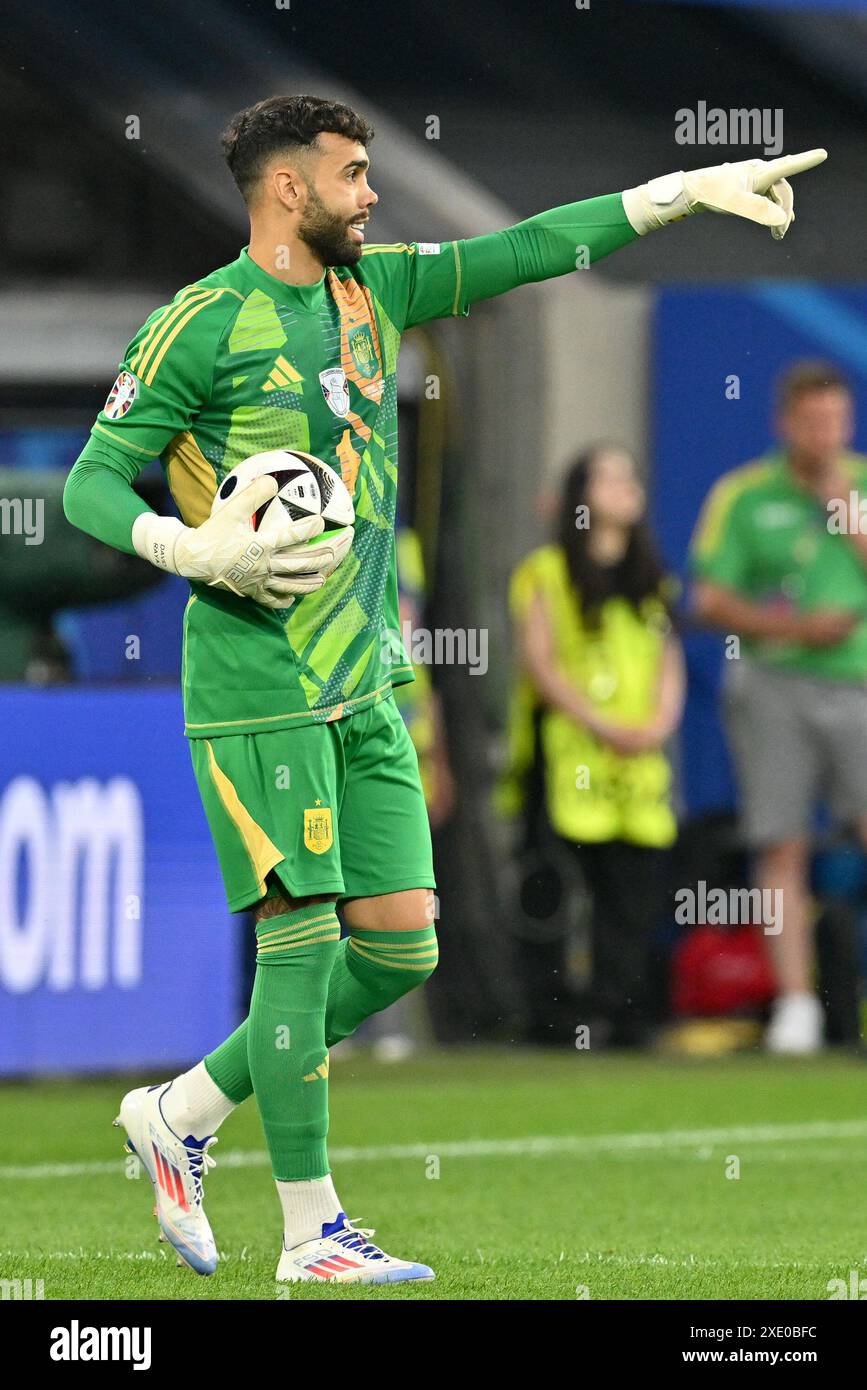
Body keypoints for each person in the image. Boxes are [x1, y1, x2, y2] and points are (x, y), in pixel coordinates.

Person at [61, 93, 825, 1285]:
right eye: (354, 174)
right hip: (260, 682)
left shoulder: (379, 294)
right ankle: (313, 1233)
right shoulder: (200, 324)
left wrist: (670, 197)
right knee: (301, 943)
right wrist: (190, 546)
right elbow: (93, 484)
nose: (373, 194)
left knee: (402, 949)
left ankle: (184, 1113)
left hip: (366, 676)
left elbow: (522, 252)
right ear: (286, 190)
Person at [691, 360, 867, 1054]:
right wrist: (793, 629)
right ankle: (795, 1003)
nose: (823, 434)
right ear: (783, 423)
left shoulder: (860, 483)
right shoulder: (742, 494)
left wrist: (847, 513)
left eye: (835, 421)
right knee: (781, 841)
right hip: (771, 683)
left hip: (857, 681)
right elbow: (706, 599)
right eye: (810, 421)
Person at [506, 445, 684, 1046]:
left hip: (635, 766)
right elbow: (543, 664)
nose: (625, 487)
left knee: (629, 891)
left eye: (630, 476)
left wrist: (657, 723)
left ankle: (624, 1011)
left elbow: (668, 661)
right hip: (565, 757)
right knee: (554, 885)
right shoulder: (546, 573)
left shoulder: (652, 582)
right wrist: (601, 724)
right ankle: (552, 1017)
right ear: (580, 496)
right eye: (609, 477)